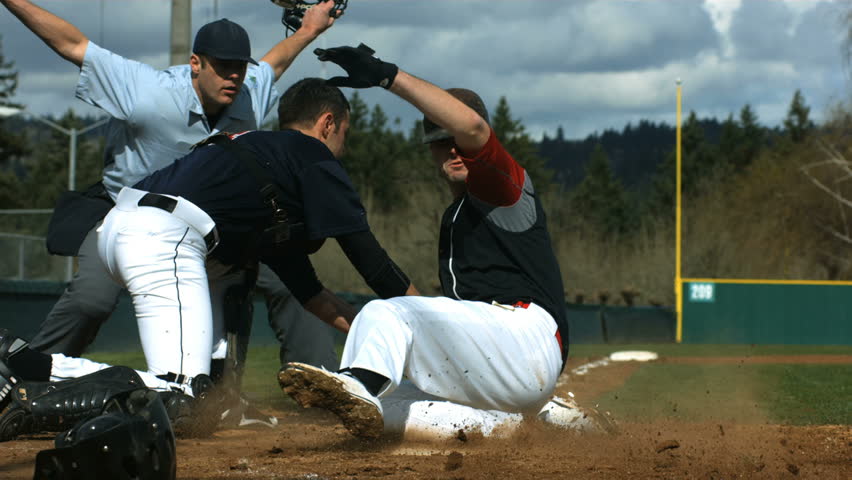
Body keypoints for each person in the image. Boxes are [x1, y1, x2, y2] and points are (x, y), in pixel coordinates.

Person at [0, 78, 418, 441]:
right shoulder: (312, 154)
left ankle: (223, 400)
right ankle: (25, 364)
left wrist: (366, 329)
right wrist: (428, 321)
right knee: (181, 396)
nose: (340, 149)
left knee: (208, 382)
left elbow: (312, 295)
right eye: (343, 134)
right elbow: (373, 263)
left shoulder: (266, 165)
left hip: (121, 227)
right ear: (328, 123)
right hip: (164, 235)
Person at [0, 0, 341, 384]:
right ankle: (24, 381)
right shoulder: (148, 92)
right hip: (127, 217)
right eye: (223, 66)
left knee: (286, 283)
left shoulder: (248, 90)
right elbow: (73, 45)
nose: (233, 76)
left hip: (210, 230)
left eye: (239, 67)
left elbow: (273, 65)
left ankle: (320, 389)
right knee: (90, 300)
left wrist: (308, 30)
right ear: (196, 63)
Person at [279, 44, 572, 440]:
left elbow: (473, 130)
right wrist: (364, 323)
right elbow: (420, 316)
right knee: (387, 404)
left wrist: (387, 76)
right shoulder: (453, 217)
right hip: (493, 361)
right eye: (439, 141)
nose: (452, 148)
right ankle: (515, 428)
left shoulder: (505, 190)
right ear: (429, 150)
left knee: (387, 313)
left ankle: (358, 383)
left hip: (526, 338)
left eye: (456, 139)